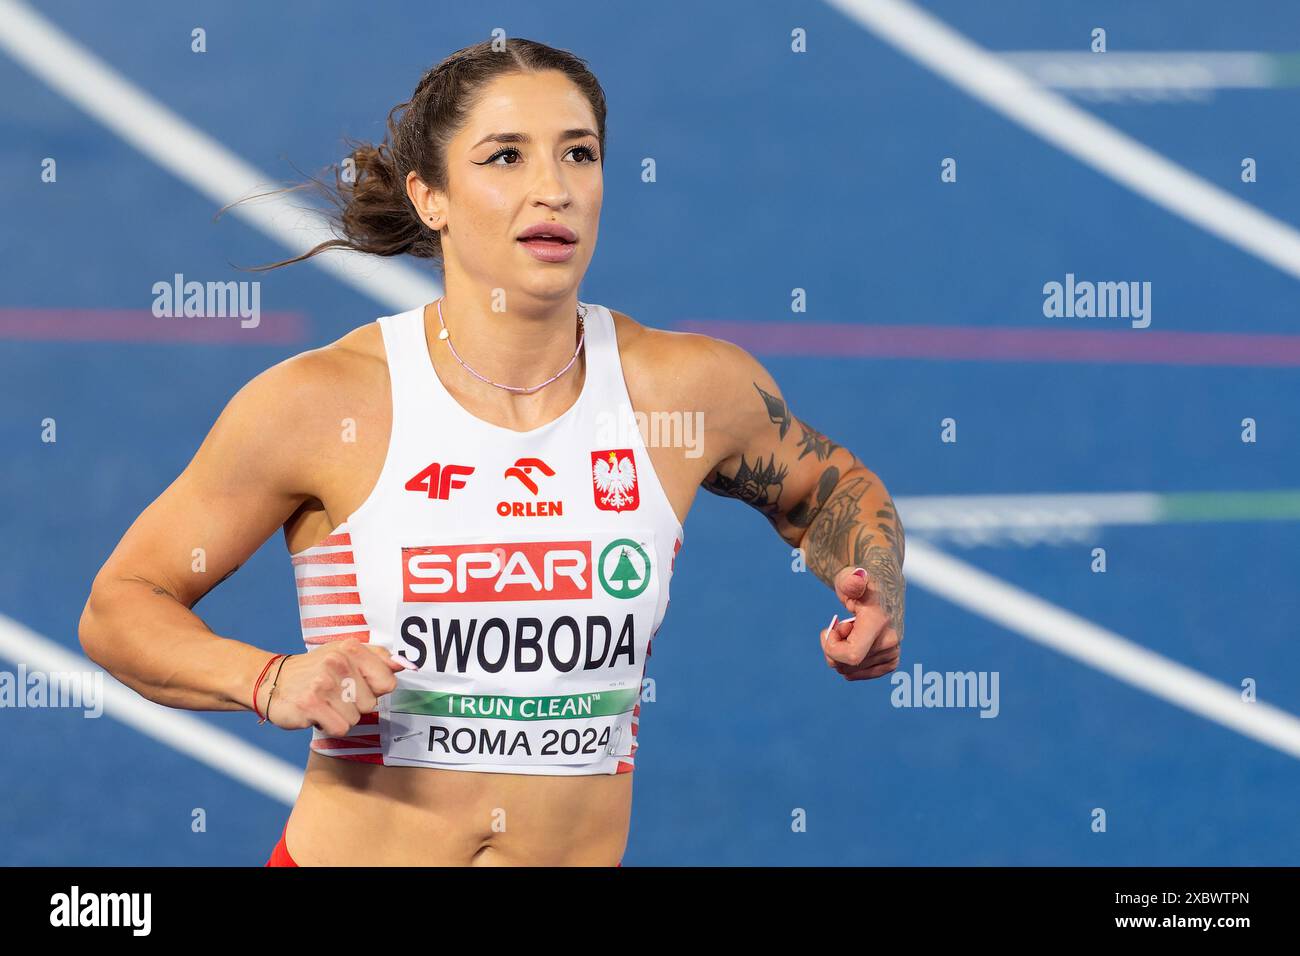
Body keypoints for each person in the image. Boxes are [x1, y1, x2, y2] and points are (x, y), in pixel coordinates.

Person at [78, 38, 905, 867]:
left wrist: (874, 589)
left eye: (578, 154)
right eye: (505, 157)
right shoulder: (323, 404)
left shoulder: (686, 393)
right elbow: (123, 604)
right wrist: (270, 680)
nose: (553, 189)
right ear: (430, 196)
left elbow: (830, 493)